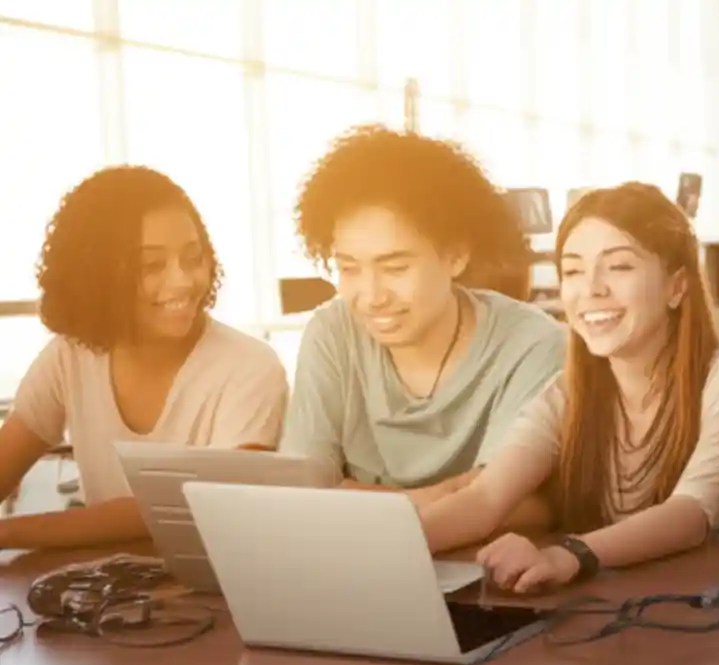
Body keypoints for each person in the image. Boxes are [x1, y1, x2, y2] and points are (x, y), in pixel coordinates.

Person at [413, 181, 719, 594]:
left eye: (619, 267)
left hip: (712, 617)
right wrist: (391, 549)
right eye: (572, 271)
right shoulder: (569, 392)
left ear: (677, 287)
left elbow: (691, 514)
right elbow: (484, 499)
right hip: (611, 613)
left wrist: (568, 554)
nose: (591, 289)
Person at [279, 125, 564, 531]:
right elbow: (298, 492)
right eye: (349, 268)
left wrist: (345, 496)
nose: (371, 294)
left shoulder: (532, 346)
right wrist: (430, 499)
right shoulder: (332, 331)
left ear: (456, 256)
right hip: (346, 564)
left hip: (488, 577)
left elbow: (515, 505)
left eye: (395, 268)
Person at [0, 166, 289, 550]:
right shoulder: (69, 356)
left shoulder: (250, 367)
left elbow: (185, 508)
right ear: (95, 275)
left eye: (193, 257)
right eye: (152, 265)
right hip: (105, 592)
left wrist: (8, 534)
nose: (183, 281)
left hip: (214, 597)